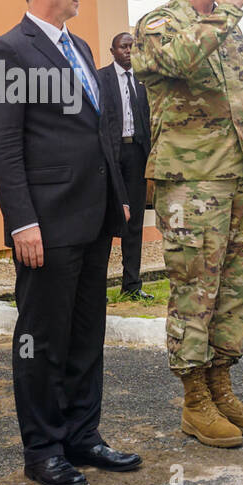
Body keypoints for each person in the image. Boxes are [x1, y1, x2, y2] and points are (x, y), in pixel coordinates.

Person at [0, 0, 139, 485]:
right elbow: (2, 146)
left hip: (93, 218)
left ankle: (82, 435)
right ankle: (43, 449)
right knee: (42, 339)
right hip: (45, 225)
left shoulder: (82, 46)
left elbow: (99, 133)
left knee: (85, 333)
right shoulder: (6, 52)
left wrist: (117, 196)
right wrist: (21, 221)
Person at [133, 0, 243, 448]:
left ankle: (223, 388)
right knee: (196, 291)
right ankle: (195, 400)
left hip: (235, 178)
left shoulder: (226, 29)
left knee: (235, 293)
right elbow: (173, 63)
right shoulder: (159, 23)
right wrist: (229, 14)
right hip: (191, 183)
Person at [98, 31, 151, 300]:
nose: (129, 51)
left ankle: (132, 284)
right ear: (113, 51)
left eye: (132, 47)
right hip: (111, 156)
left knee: (136, 223)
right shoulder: (101, 78)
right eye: (123, 47)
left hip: (137, 155)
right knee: (107, 220)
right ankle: (97, 287)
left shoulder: (144, 80)